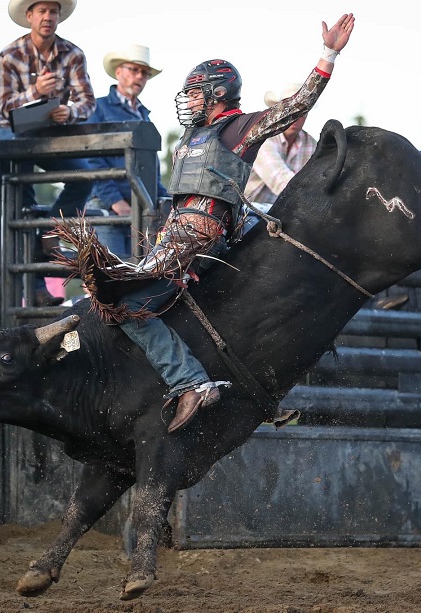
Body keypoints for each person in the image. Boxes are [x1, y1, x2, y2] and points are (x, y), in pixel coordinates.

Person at [109, 13, 355, 434]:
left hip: (198, 235)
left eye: (196, 93)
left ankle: (188, 382)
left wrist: (328, 54)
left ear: (217, 94)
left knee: (125, 303)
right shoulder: (192, 137)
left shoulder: (240, 126)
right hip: (182, 234)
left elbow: (296, 105)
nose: (189, 100)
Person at [0, 0, 96, 306]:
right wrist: (36, 93)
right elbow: (6, 107)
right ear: (30, 16)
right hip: (18, 136)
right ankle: (35, 288)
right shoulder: (9, 55)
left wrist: (69, 111)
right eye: (42, 11)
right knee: (21, 203)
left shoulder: (73, 53)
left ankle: (50, 231)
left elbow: (87, 101)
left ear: (58, 16)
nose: (48, 17)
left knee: (84, 177)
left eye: (53, 11)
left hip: (54, 135)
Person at [86, 43, 169, 259]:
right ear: (118, 72)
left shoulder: (143, 114)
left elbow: (151, 168)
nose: (139, 76)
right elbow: (91, 159)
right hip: (107, 205)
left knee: (141, 271)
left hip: (140, 206)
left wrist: (167, 199)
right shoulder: (98, 108)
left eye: (144, 72)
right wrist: (114, 200)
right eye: (134, 70)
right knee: (116, 272)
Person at [243, 82, 318, 211]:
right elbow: (280, 180)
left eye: (302, 112)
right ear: (280, 112)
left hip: (280, 210)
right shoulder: (264, 138)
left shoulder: (310, 144)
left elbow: (314, 180)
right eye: (291, 111)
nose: (296, 117)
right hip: (246, 208)